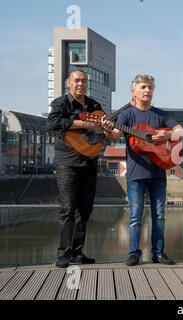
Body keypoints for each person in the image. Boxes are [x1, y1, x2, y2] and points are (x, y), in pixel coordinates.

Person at [105, 75, 183, 266]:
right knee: (135, 215)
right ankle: (134, 253)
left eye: (150, 87)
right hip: (135, 173)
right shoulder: (126, 115)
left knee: (159, 215)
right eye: (143, 87)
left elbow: (182, 133)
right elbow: (115, 136)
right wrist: (107, 129)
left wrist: (169, 135)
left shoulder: (162, 115)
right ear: (134, 92)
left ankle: (158, 253)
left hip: (159, 172)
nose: (147, 90)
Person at [48, 69, 112, 268]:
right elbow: (53, 123)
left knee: (84, 210)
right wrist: (82, 123)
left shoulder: (94, 105)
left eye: (84, 81)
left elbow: (100, 132)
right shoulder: (61, 103)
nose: (80, 84)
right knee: (67, 209)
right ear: (69, 82)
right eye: (77, 81)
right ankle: (63, 253)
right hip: (67, 162)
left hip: (90, 162)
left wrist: (106, 128)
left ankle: (77, 252)